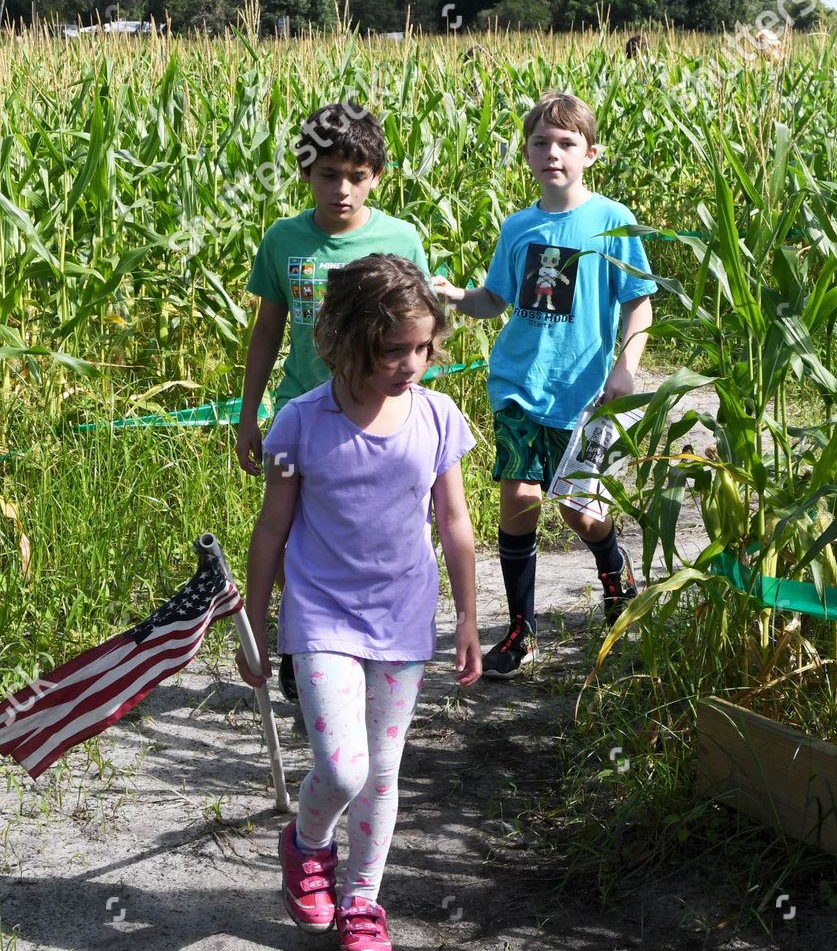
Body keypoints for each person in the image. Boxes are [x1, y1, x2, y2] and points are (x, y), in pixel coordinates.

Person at [235, 254, 480, 951]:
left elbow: (455, 521)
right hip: (320, 615)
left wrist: (466, 615)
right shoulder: (298, 423)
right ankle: (307, 843)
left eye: (423, 349)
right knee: (344, 767)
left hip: (404, 618)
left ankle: (362, 901)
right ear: (346, 339)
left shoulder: (437, 418)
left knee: (384, 770)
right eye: (392, 350)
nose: (411, 364)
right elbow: (272, 527)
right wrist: (256, 620)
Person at [432, 91, 655, 680]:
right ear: (526, 152)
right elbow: (495, 298)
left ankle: (615, 572)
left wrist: (625, 368)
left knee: (580, 514)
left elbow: (639, 306)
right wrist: (457, 297)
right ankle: (521, 632)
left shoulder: (611, 222)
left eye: (566, 143)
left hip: (585, 395)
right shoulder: (519, 226)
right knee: (521, 499)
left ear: (591, 153)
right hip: (519, 385)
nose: (552, 153)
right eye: (540, 143)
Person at [236, 103, 430, 702]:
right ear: (304, 174)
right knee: (290, 527)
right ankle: (303, 646)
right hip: (300, 414)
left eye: (356, 175)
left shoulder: (401, 238)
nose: (341, 189)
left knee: (372, 530)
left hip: (378, 416)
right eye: (327, 175)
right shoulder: (285, 240)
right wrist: (250, 413)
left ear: (376, 175)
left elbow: (419, 328)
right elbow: (267, 330)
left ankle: (373, 644)